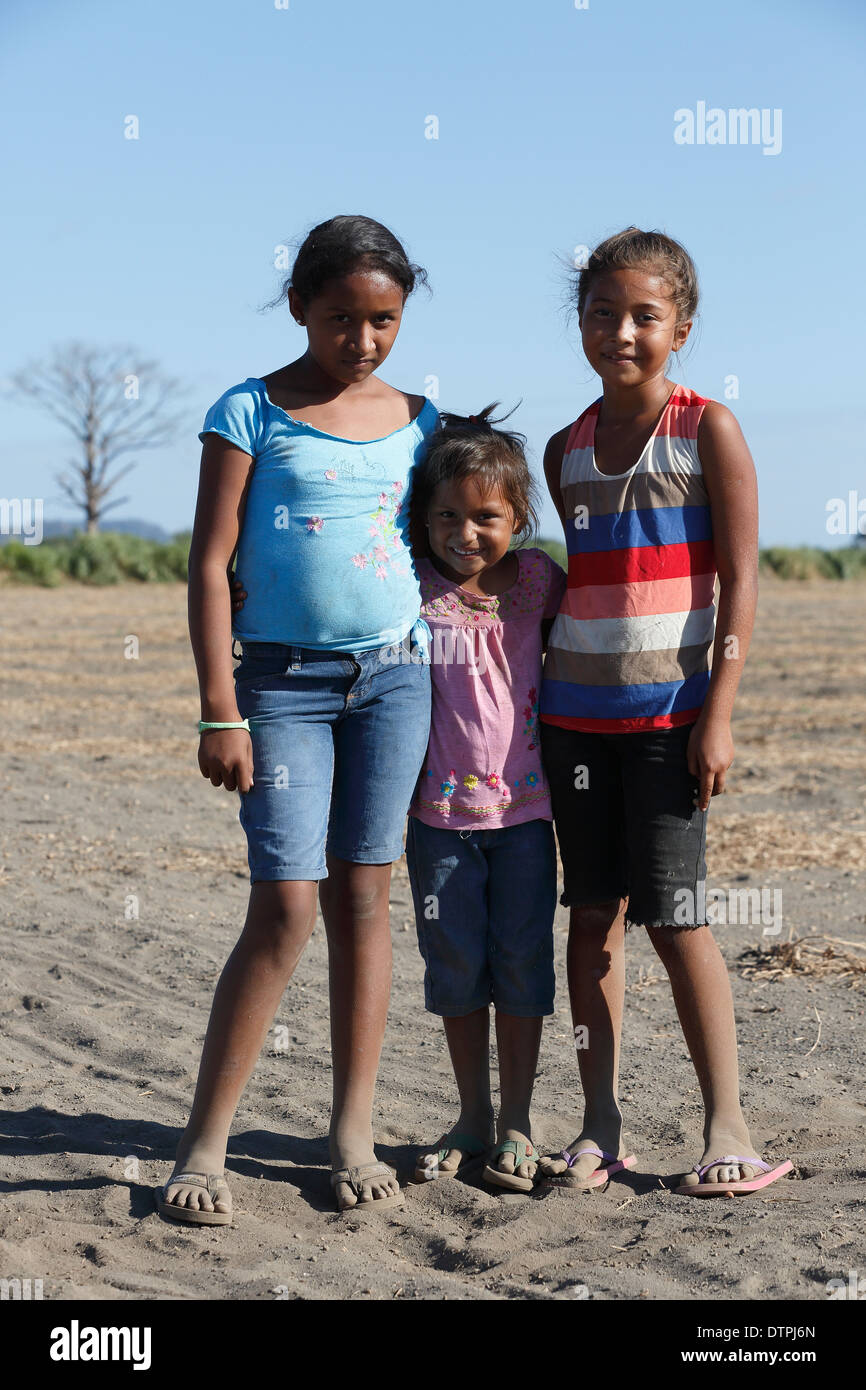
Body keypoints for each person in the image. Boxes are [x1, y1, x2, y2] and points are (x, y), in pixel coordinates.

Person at [156, 214, 439, 1222]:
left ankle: (350, 1130)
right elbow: (206, 564)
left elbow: (449, 549)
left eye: (383, 320)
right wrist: (215, 710)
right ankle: (204, 1143)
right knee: (283, 908)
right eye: (339, 319)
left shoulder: (421, 419)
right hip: (279, 686)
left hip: (397, 682)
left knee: (366, 903)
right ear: (298, 308)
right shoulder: (248, 411)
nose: (361, 342)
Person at [537, 227, 792, 1196]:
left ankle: (724, 1123)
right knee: (588, 918)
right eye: (601, 314)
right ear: (580, 325)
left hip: (668, 721)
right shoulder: (563, 448)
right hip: (570, 719)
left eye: (643, 315)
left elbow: (737, 582)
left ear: (679, 327)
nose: (620, 332)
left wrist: (715, 714)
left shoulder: (705, 429)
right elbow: (582, 584)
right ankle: (598, 1125)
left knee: (675, 918)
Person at [405, 406, 567, 1192]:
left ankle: (518, 1123)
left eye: (486, 516)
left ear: (520, 517)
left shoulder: (539, 581)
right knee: (458, 962)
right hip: (438, 824)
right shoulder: (411, 584)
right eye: (446, 515)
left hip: (529, 820)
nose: (464, 532)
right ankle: (471, 1114)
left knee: (522, 963)